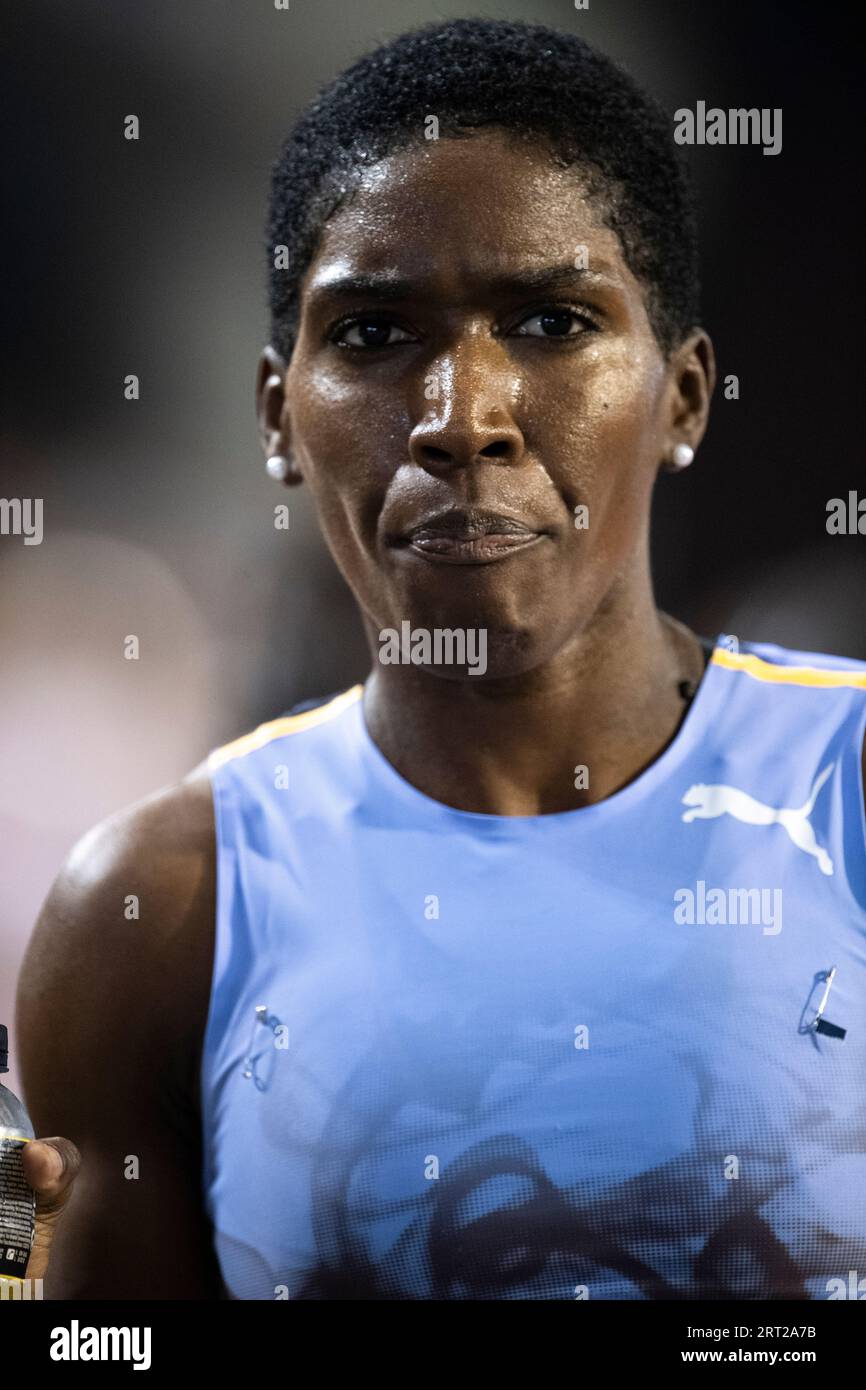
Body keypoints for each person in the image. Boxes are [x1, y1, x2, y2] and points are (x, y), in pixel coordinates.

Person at [17, 17, 866, 1300]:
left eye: (548, 319)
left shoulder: (845, 792)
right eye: (372, 335)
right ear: (276, 416)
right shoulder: (154, 913)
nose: (460, 417)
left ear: (681, 394)